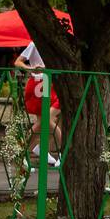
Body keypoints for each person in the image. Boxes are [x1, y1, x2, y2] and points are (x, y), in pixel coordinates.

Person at [14, 38, 63, 168]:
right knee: (46, 120)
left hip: (52, 82)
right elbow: (18, 62)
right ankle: (61, 152)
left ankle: (28, 151)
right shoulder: (34, 44)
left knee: (47, 121)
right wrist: (31, 68)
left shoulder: (58, 42)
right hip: (41, 83)